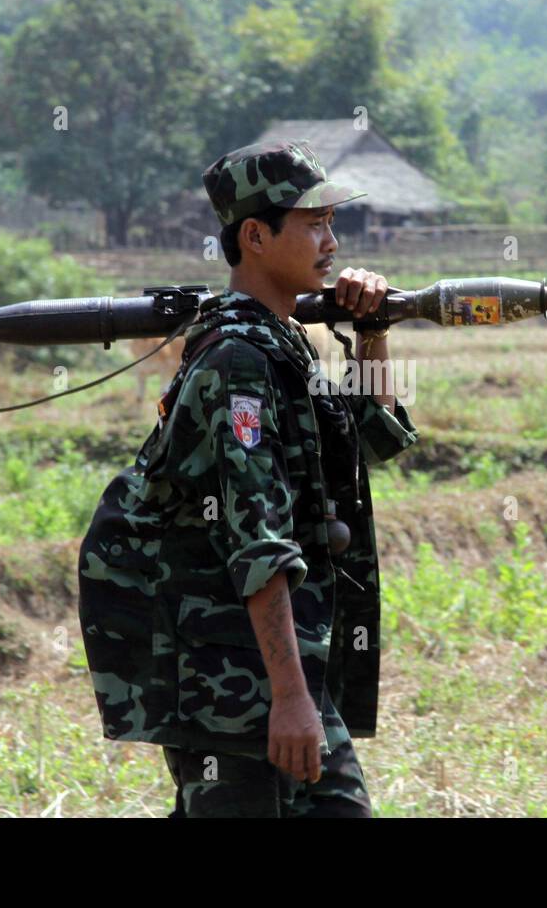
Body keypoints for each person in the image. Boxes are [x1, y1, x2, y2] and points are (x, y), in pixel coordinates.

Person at [77, 140, 419, 817]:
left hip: (269, 667)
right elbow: (257, 542)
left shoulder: (279, 342)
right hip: (231, 681)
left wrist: (372, 332)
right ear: (256, 237)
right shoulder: (238, 361)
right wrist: (290, 700)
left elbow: (371, 441)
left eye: (332, 223)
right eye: (313, 223)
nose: (331, 240)